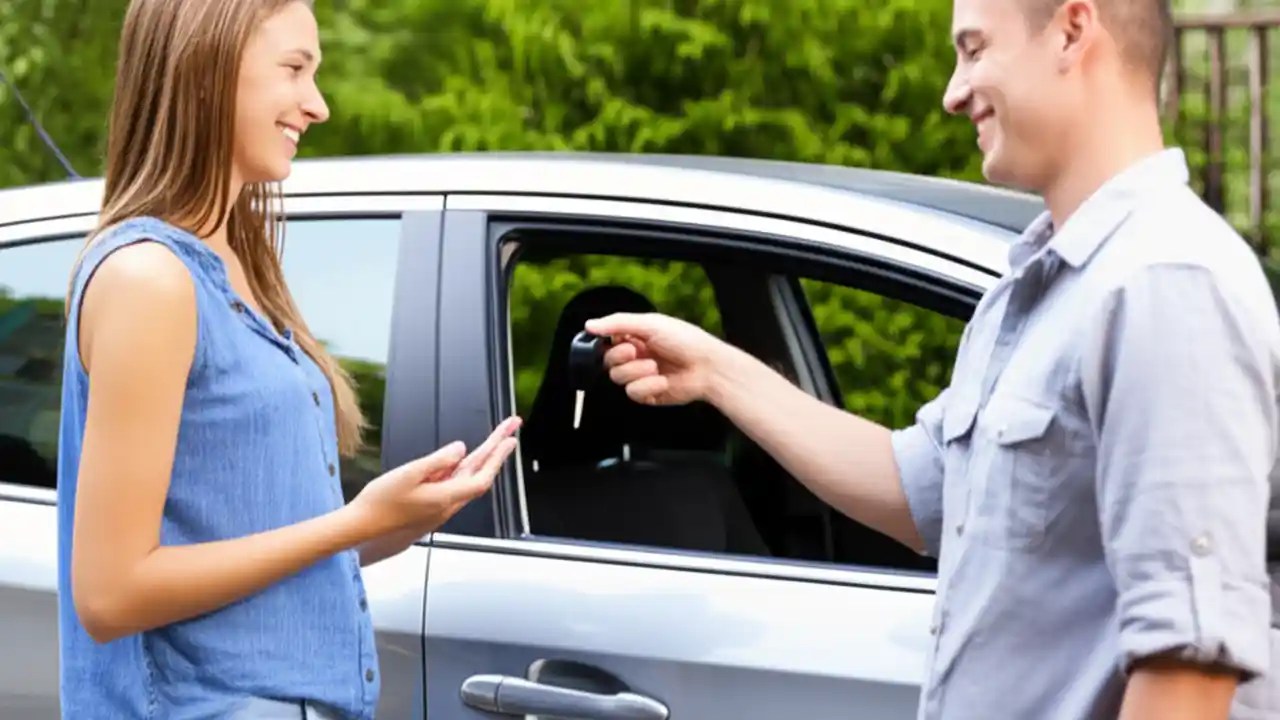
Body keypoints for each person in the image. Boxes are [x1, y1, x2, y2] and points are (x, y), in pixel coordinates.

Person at [587, 0, 1277, 718]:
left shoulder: (1163, 283)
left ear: (1073, 30)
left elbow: (1187, 674)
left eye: (973, 51)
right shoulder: (1040, 289)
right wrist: (716, 371)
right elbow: (917, 489)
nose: (952, 93)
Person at [55, 1, 519, 718]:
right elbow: (112, 594)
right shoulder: (151, 279)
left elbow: (243, 552)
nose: (319, 105)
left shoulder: (236, 265)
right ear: (206, 72)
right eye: (294, 69)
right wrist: (349, 523)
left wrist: (392, 519)